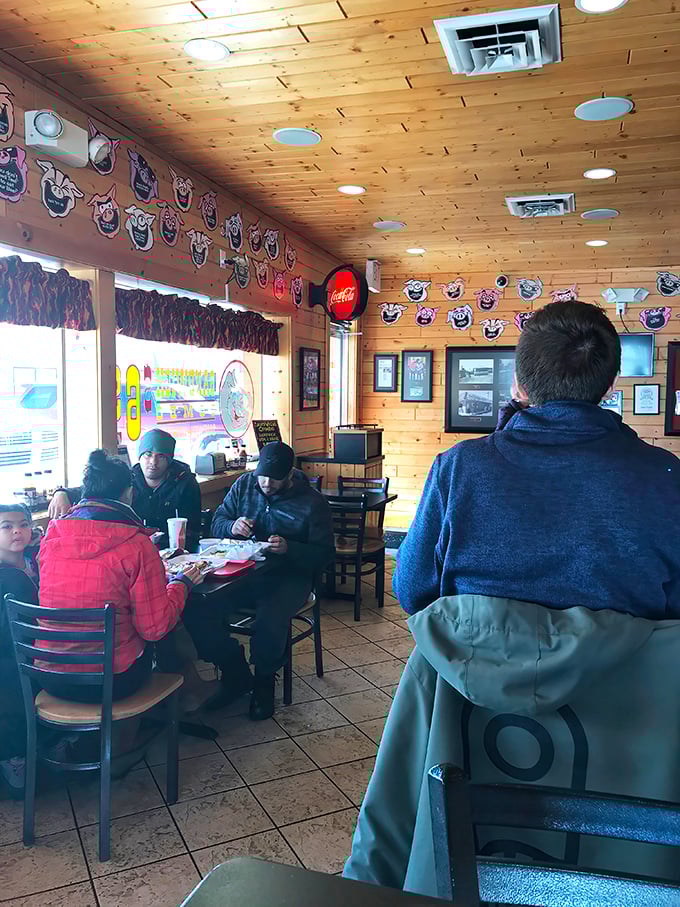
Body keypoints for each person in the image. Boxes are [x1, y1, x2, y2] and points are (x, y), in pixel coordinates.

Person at [343, 300, 680, 894]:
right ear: (608, 383)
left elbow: (415, 590)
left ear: (520, 382)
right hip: (632, 743)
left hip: (469, 727)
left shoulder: (460, 468)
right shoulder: (665, 478)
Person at [38, 449, 203, 702]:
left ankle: (185, 695)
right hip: (112, 680)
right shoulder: (136, 545)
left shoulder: (51, 537)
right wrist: (182, 583)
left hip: (50, 675)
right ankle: (186, 697)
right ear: (129, 493)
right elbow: (154, 629)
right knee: (169, 627)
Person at [209, 441, 334, 720]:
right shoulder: (243, 485)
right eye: (262, 476)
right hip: (243, 572)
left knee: (270, 615)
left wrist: (291, 548)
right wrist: (232, 526)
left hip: (290, 577)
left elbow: (325, 554)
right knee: (202, 606)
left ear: (290, 474)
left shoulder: (312, 502)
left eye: (275, 478)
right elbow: (217, 522)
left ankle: (264, 681)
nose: (266, 483)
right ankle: (235, 671)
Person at [48, 428, 202, 552]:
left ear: (169, 460)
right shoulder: (126, 479)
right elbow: (91, 490)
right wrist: (62, 493)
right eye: (148, 455)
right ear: (139, 456)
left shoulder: (185, 483)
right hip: (131, 551)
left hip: (176, 555)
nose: (153, 462)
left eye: (161, 457)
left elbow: (193, 531)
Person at [0, 504, 39, 796]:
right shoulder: (6, 577)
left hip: (41, 647)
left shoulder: (34, 562)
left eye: (23, 524)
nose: (16, 530)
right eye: (6, 526)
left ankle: (52, 737)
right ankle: (14, 755)